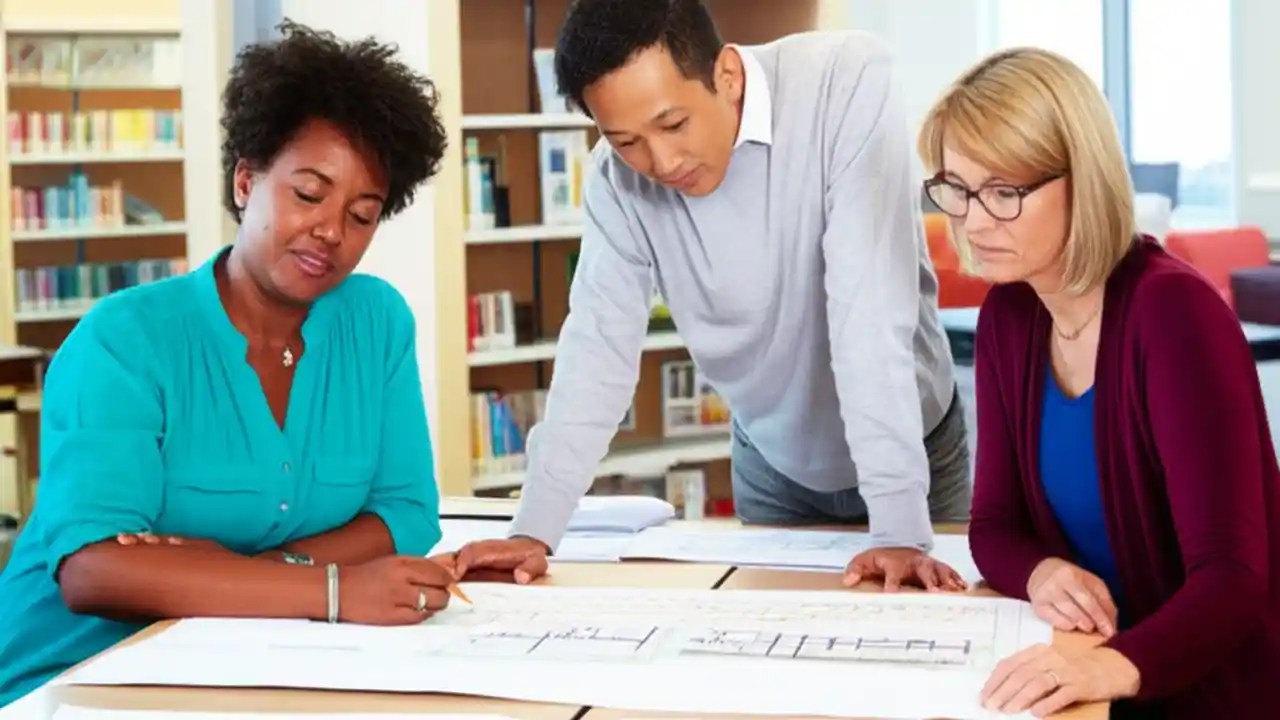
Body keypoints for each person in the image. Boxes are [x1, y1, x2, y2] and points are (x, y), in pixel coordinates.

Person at [0, 22, 456, 707]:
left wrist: (237, 573)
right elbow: (94, 572)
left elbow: (406, 513)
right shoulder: (125, 340)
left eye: (362, 215)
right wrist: (331, 588)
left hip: (246, 660)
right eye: (307, 194)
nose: (331, 231)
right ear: (246, 180)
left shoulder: (375, 321)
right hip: (74, 679)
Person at [456, 0, 971, 591]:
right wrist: (533, 530)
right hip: (774, 465)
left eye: (673, 125)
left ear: (726, 75)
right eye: (626, 141)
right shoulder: (614, 180)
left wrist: (899, 528)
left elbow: (867, 312)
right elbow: (596, 347)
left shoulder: (846, 82)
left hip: (914, 456)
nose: (661, 162)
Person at [916, 47, 1280, 718]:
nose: (971, 220)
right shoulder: (1011, 313)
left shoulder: (1174, 314)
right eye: (957, 189)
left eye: (1004, 192)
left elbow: (1234, 579)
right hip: (1088, 671)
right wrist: (1042, 571)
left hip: (1199, 689)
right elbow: (994, 526)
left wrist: (1109, 668)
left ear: (1082, 182)